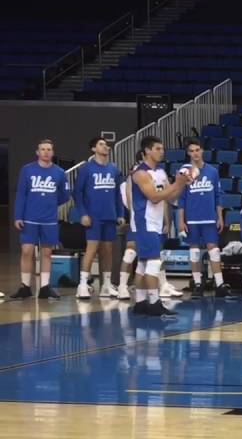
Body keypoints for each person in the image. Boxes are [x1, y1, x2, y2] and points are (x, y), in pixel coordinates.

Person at [128, 135, 190, 315]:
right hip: (145, 221)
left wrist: (182, 184)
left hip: (155, 222)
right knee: (154, 262)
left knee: (143, 264)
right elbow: (154, 197)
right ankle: (154, 303)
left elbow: (170, 197)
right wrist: (177, 183)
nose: (162, 152)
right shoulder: (140, 173)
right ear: (147, 151)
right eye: (158, 149)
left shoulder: (161, 172)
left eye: (162, 149)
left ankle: (140, 303)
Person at [11, 138, 71, 300]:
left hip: (49, 219)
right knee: (27, 251)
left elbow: (65, 195)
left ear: (53, 152)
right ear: (37, 152)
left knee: (47, 252)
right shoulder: (27, 170)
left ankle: (44, 287)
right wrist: (18, 216)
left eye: (49, 149)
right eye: (43, 149)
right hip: (29, 218)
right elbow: (21, 194)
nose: (46, 152)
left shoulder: (59, 172)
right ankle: (25, 287)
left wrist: (51, 202)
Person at [174, 140, 226, 299]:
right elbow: (181, 199)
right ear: (188, 153)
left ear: (202, 150)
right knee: (194, 252)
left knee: (214, 250)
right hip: (192, 219)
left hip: (209, 218)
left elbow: (218, 195)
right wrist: (181, 221)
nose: (195, 153)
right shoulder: (184, 172)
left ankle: (220, 284)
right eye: (191, 151)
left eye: (197, 150)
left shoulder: (212, 171)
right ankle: (197, 284)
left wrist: (219, 217)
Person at [74, 136, 125, 300]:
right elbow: (77, 193)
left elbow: (118, 194)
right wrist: (83, 213)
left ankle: (106, 285)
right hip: (93, 216)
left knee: (108, 250)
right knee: (92, 249)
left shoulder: (113, 169)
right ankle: (82, 284)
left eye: (106, 144)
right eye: (101, 144)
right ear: (93, 149)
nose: (105, 147)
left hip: (110, 216)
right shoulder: (87, 169)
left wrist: (120, 214)